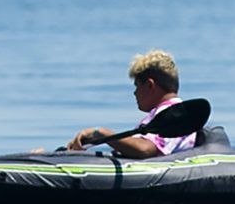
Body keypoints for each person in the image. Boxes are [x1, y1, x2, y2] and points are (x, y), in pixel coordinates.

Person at [61, 49, 200, 158]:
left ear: (150, 86)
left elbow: (146, 150)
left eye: (137, 86)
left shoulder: (174, 114)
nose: (135, 93)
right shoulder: (165, 113)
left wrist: (102, 133)